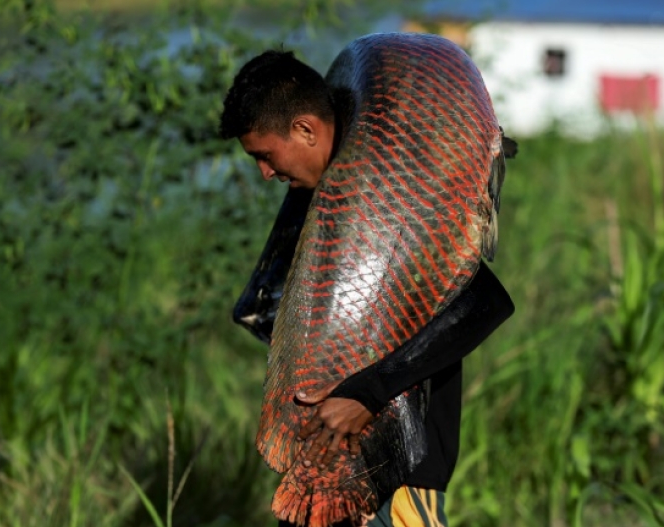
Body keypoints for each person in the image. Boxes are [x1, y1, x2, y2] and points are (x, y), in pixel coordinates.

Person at [220, 48, 515, 527]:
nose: (265, 173)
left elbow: (484, 300)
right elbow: (263, 305)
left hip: (399, 473)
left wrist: (369, 392)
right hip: (327, 459)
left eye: (265, 156)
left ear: (305, 130)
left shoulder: (396, 197)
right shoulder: (317, 194)